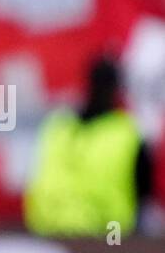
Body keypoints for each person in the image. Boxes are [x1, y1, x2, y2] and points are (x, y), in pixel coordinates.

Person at [24, 56, 154, 235]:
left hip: (53, 234)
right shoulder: (127, 133)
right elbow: (143, 195)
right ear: (116, 89)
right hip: (109, 239)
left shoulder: (58, 126)